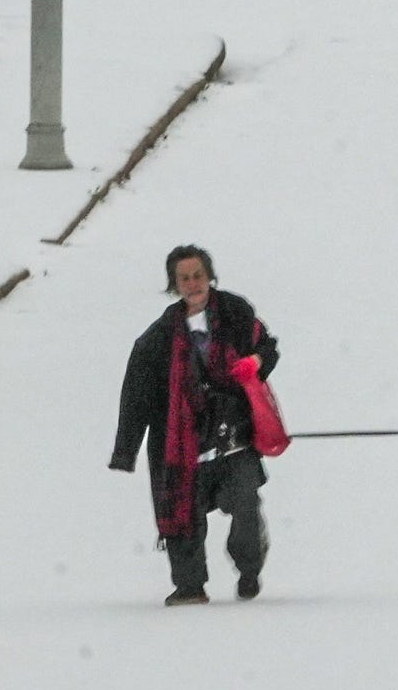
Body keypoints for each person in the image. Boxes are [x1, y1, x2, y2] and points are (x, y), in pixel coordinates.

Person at [110, 245, 281, 605]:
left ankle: (249, 569)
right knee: (182, 519)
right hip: (181, 451)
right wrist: (125, 451)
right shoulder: (156, 339)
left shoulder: (237, 312)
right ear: (174, 284)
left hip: (236, 442)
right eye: (184, 278)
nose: (192, 283)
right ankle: (189, 586)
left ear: (210, 276)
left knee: (246, 507)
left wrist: (256, 362)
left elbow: (267, 347)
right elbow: (136, 397)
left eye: (198, 275)